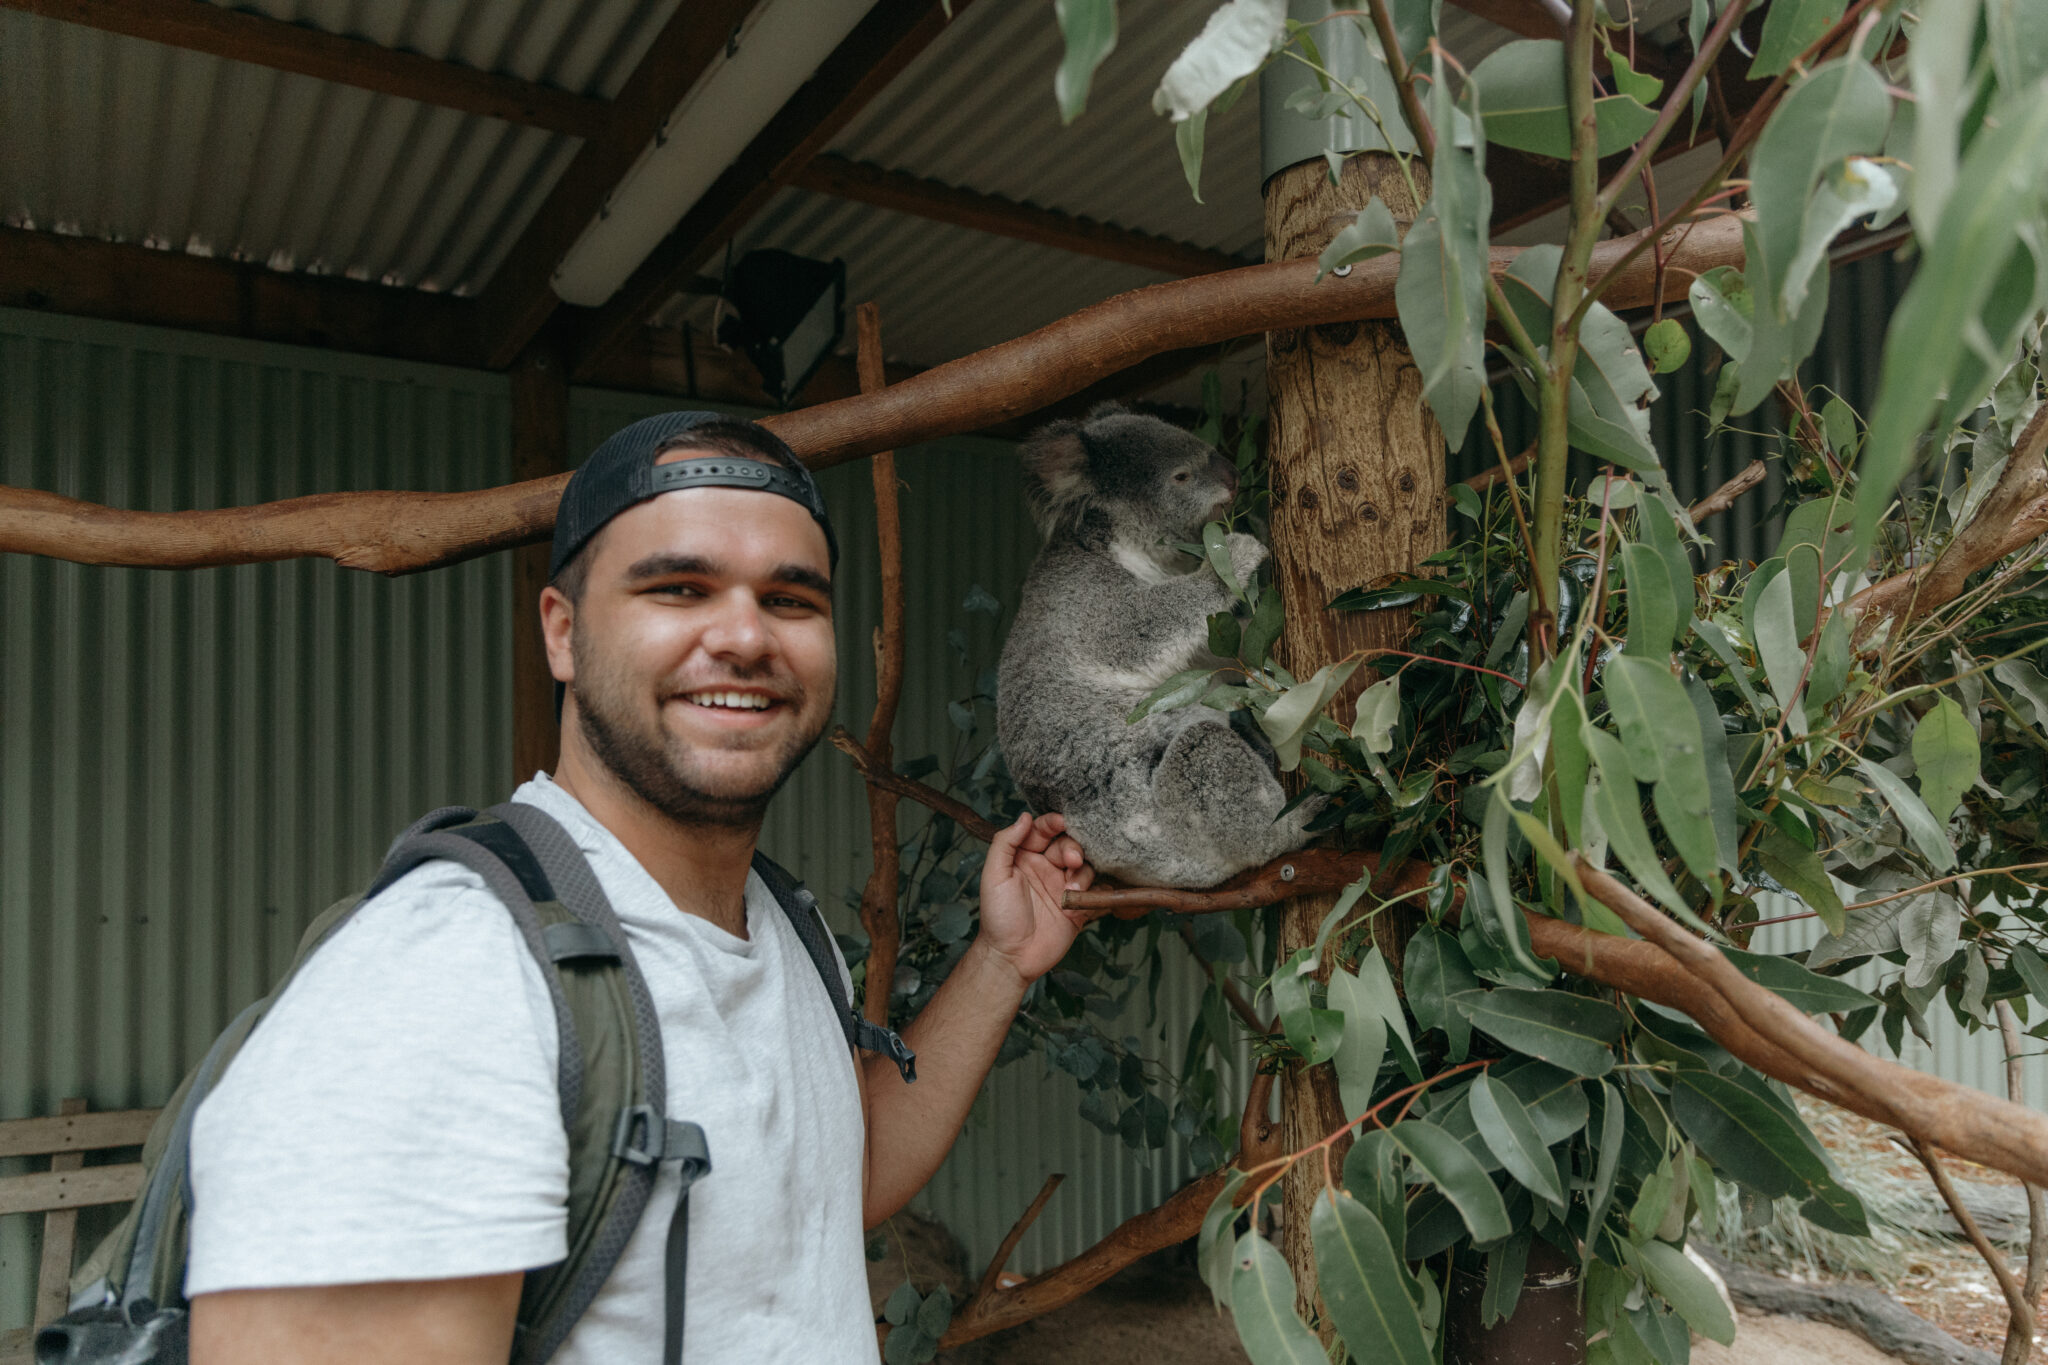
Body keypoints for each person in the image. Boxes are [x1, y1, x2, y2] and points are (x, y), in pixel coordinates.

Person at [182, 412, 1095, 1364]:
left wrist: (1000, 960)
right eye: (680, 587)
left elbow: (823, 1185)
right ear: (563, 632)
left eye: (791, 599)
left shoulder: (783, 922)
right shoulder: (450, 983)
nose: (744, 635)